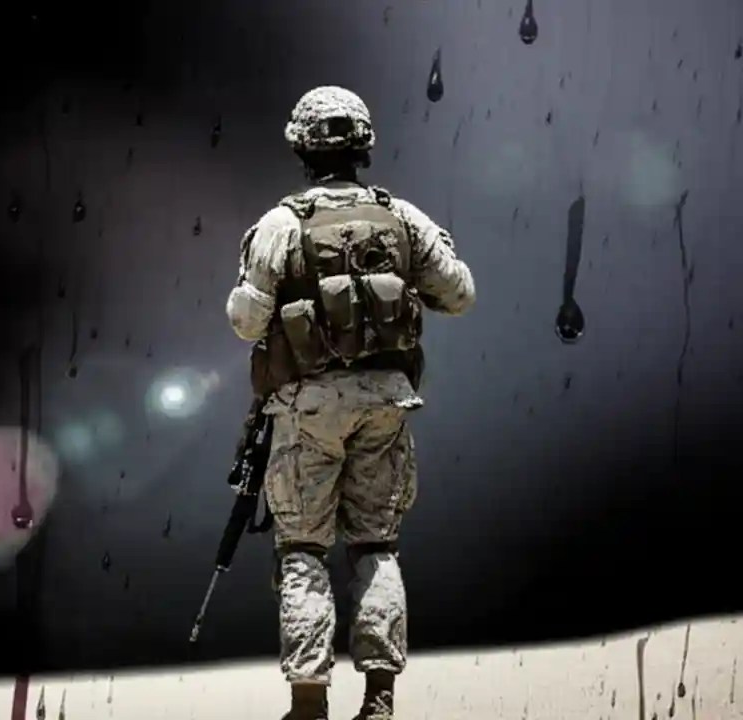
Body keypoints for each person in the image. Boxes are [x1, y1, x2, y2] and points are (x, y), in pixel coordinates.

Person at [224, 86, 477, 720]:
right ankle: (380, 698)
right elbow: (459, 293)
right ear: (364, 146)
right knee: (375, 546)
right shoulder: (402, 218)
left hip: (307, 411)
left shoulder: (282, 224)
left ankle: (309, 703)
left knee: (303, 552)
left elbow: (245, 322)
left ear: (300, 148)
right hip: (387, 406)